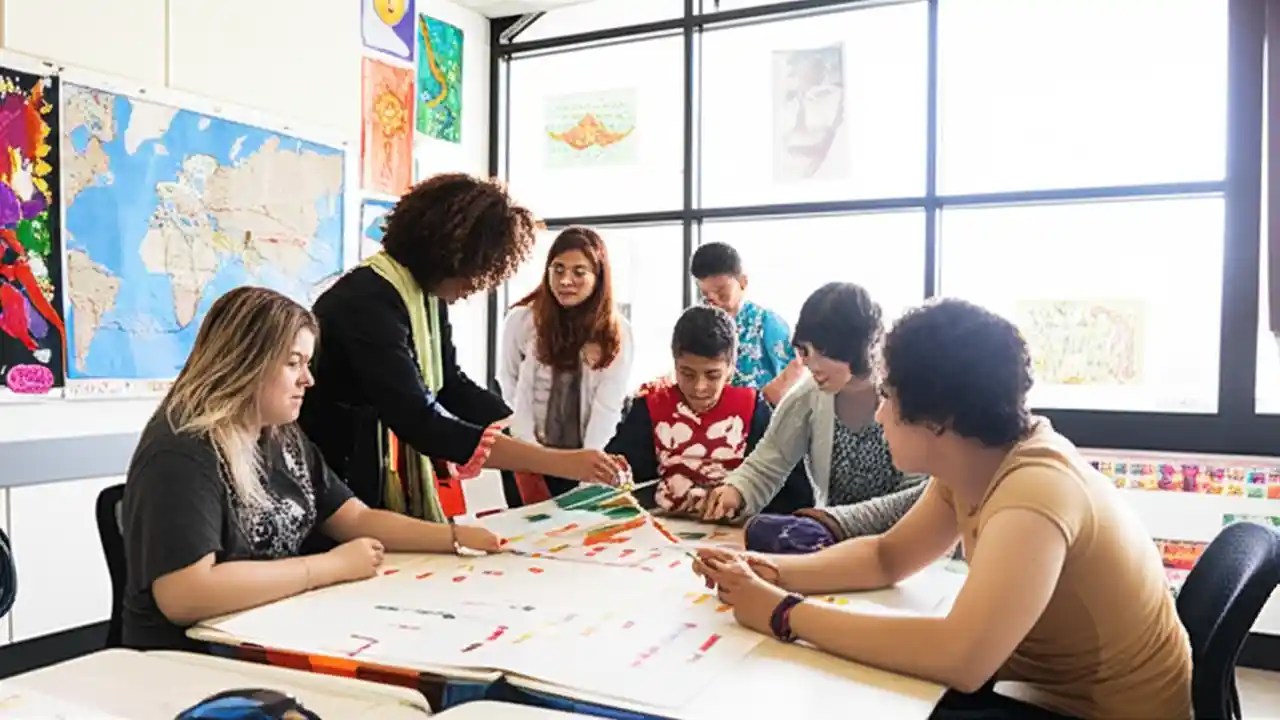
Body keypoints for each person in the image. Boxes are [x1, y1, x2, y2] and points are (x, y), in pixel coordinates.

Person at [694, 299, 1193, 720]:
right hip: (1046, 688)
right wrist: (771, 572)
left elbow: (962, 657)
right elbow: (888, 556)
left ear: (937, 419)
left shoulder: (1034, 493)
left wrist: (784, 613)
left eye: (887, 396)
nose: (880, 413)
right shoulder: (979, 462)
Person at [121, 287, 503, 652]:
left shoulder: (279, 433)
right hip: (196, 656)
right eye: (293, 364)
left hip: (272, 630)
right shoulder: (182, 449)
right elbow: (186, 594)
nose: (309, 379)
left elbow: (355, 519)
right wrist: (329, 566)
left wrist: (451, 536)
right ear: (244, 362)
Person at [300, 173, 627, 521]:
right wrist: (555, 461)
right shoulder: (365, 303)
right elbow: (421, 421)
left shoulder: (424, 294)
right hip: (331, 473)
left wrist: (521, 438)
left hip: (366, 470)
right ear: (452, 255)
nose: (475, 287)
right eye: (477, 272)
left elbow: (450, 384)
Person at [703, 282, 927, 553]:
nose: (809, 364)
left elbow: (920, 499)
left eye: (818, 352)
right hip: (831, 545)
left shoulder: (911, 400)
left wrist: (832, 523)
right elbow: (769, 461)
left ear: (854, 349)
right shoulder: (807, 396)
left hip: (905, 547)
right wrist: (735, 491)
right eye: (803, 352)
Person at [603, 305, 812, 516]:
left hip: (739, 532)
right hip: (664, 530)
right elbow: (619, 479)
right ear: (675, 364)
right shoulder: (649, 408)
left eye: (712, 375)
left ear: (730, 368)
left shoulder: (752, 410)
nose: (699, 387)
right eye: (687, 373)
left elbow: (790, 489)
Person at [499, 226, 634, 500]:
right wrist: (530, 454)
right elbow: (510, 384)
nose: (565, 280)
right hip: (527, 451)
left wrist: (589, 467)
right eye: (557, 269)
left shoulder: (616, 331)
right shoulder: (522, 320)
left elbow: (607, 406)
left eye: (579, 272)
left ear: (598, 276)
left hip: (585, 456)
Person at [690, 242, 804, 405]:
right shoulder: (699, 328)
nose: (713, 301)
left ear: (742, 282)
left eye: (721, 293)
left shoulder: (767, 323)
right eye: (706, 295)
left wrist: (756, 406)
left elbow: (796, 371)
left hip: (761, 421)